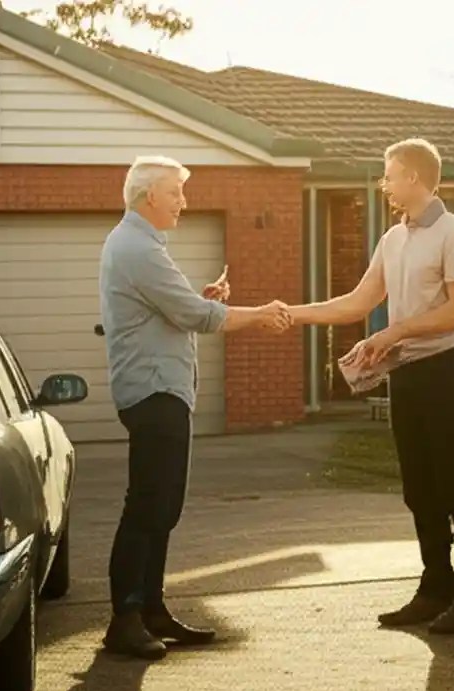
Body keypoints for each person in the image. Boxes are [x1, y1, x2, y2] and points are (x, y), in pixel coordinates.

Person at [288, 138, 454, 634]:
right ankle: (435, 589)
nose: (384, 184)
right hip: (405, 376)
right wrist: (292, 313)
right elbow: (359, 301)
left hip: (444, 371)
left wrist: (397, 330)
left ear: (416, 178)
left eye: (390, 174)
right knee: (419, 488)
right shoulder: (393, 238)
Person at [99, 155, 291, 660]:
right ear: (148, 197)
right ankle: (125, 619)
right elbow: (196, 316)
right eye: (176, 192)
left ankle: (151, 611)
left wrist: (199, 300)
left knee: (162, 508)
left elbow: (178, 309)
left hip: (162, 392)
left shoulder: (141, 245)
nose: (184, 202)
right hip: (154, 393)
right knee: (147, 506)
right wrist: (259, 314)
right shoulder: (138, 247)